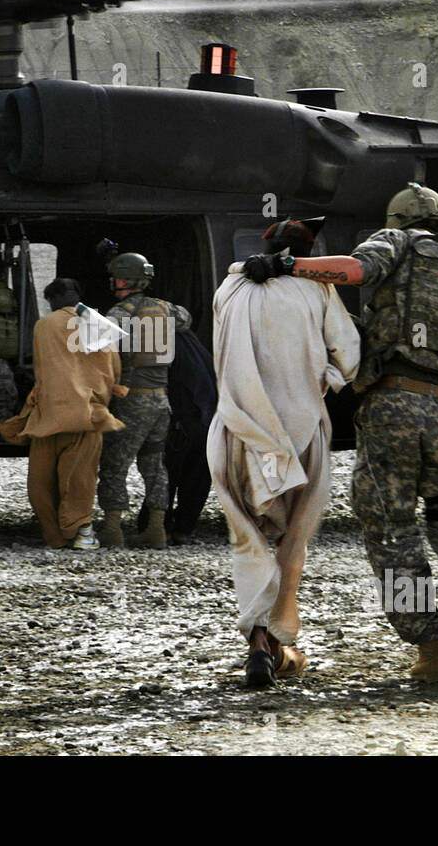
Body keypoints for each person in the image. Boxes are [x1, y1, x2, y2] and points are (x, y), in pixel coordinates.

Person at [245, 184, 438, 682]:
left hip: (394, 406)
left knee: (391, 531)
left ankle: (432, 653)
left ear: (398, 221)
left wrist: (288, 267)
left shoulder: (396, 242)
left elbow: (356, 271)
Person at [210, 219, 360, 687]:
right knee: (292, 540)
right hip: (299, 433)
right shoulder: (316, 291)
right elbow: (349, 357)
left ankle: (257, 646)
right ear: (307, 255)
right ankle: (279, 642)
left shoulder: (229, 288)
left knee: (247, 539)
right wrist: (326, 378)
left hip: (236, 432)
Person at [0, 278, 128, 549]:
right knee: (79, 480)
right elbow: (114, 368)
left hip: (47, 416)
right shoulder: (98, 323)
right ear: (77, 296)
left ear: (52, 300)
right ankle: (81, 534)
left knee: (40, 482)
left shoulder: (43, 326)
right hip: (88, 415)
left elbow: (39, 368)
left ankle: (54, 537)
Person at [96, 252, 191, 549]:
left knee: (115, 464)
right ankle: (156, 530)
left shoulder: (119, 313)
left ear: (124, 279)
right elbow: (186, 320)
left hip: (131, 400)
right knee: (154, 464)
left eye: (116, 277)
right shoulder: (168, 309)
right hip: (161, 401)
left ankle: (112, 529)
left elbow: (96, 339)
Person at [137, 328, 218, 545]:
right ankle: (183, 529)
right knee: (197, 479)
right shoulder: (196, 348)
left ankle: (156, 527)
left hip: (181, 424)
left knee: (166, 475)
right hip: (206, 422)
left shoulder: (168, 345)